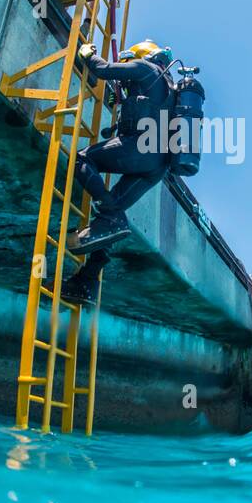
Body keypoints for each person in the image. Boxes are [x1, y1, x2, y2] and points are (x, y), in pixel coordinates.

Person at [59, 39, 173, 304]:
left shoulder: (145, 68)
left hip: (141, 150)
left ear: (140, 56)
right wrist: (121, 102)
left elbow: (103, 70)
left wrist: (89, 55)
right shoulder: (168, 88)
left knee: (83, 158)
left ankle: (110, 215)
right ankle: (86, 282)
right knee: (110, 218)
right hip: (158, 165)